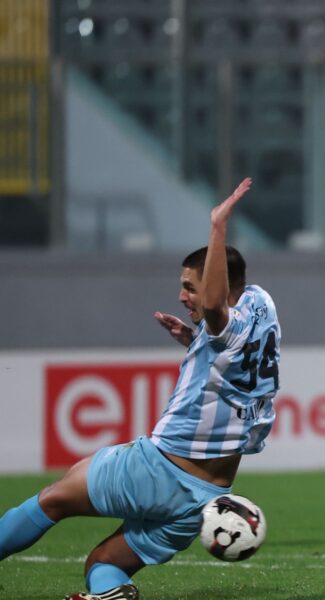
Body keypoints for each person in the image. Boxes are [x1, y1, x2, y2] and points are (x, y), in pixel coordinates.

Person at [0, 178, 282, 600]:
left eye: (190, 285)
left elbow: (215, 308)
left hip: (160, 472)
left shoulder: (226, 320)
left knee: (54, 498)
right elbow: (234, 360)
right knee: (105, 563)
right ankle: (111, 595)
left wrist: (218, 226)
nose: (183, 295)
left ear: (219, 285)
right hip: (204, 501)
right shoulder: (262, 305)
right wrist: (196, 342)